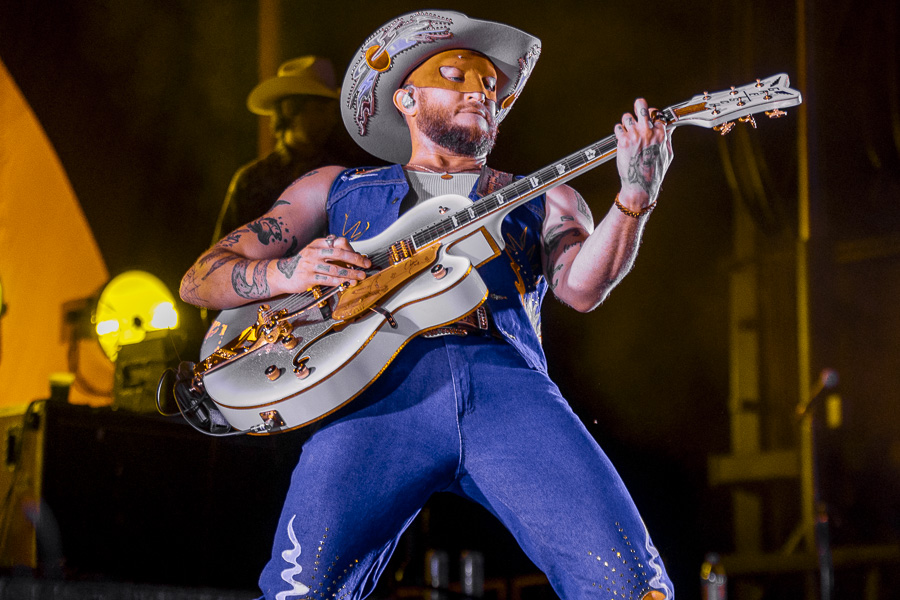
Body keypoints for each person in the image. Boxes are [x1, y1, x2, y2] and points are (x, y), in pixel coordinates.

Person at [181, 10, 674, 600]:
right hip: (371, 398)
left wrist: (632, 200)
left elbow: (582, 289)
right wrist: (287, 271)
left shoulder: (550, 197)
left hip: (508, 389)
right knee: (299, 592)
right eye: (458, 75)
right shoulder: (333, 187)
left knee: (630, 585)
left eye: (492, 85)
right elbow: (199, 280)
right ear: (406, 97)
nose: (482, 92)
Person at [211, 55, 343, 243]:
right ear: (291, 110)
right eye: (320, 110)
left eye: (332, 112)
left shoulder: (339, 172)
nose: (331, 120)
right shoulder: (252, 181)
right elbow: (223, 255)